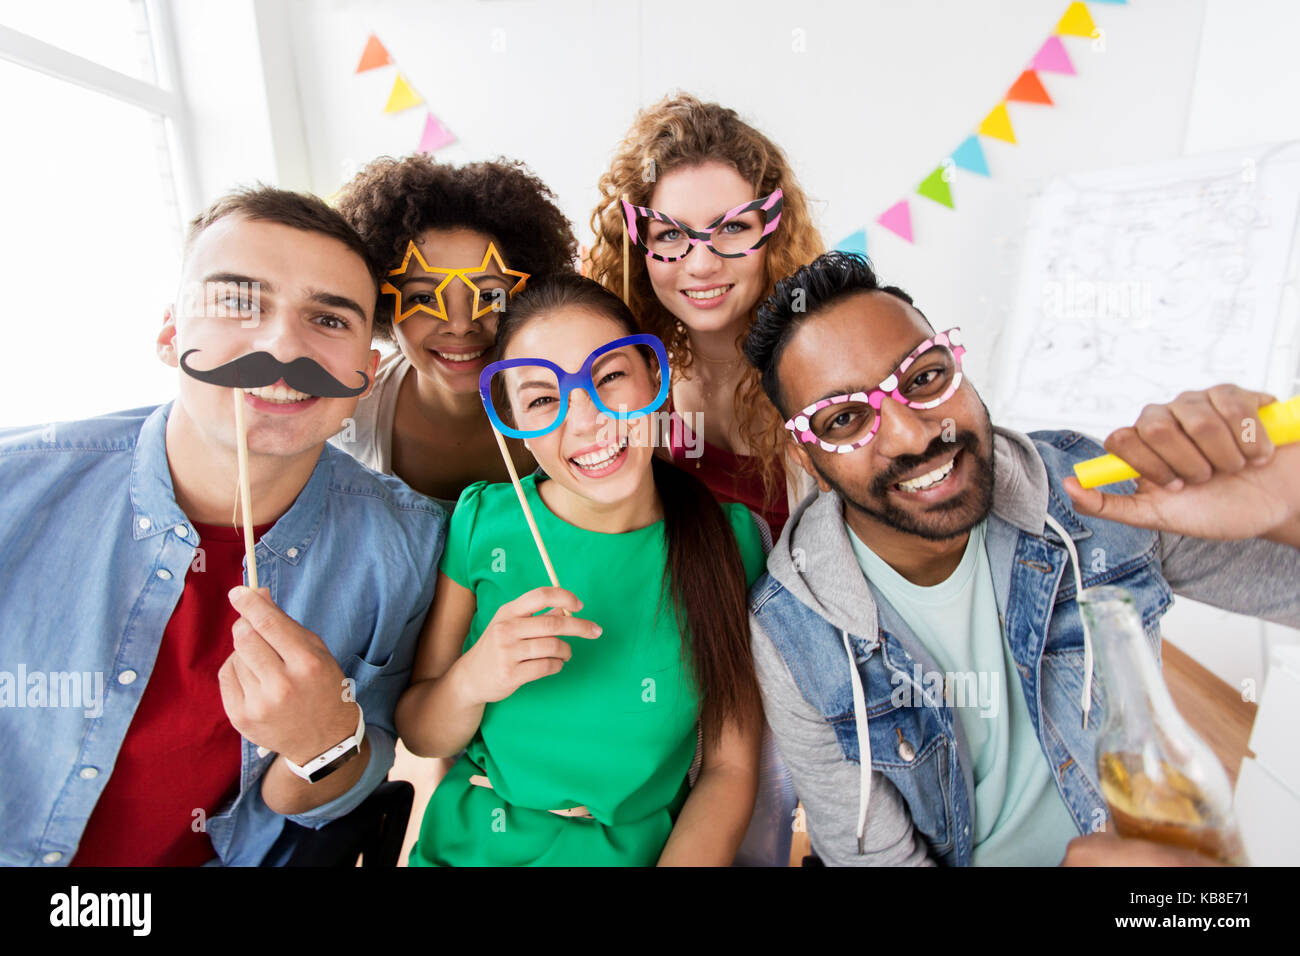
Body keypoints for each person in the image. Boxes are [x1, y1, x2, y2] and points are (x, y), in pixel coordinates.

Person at [741, 251, 1300, 866]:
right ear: (808, 459)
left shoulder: (1088, 492)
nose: (914, 434)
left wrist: (1286, 510)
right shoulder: (793, 628)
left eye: (924, 378)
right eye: (845, 419)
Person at [0, 186, 445, 866]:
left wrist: (324, 740)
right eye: (240, 302)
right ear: (172, 332)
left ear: (366, 373)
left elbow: (341, 788)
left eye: (328, 321)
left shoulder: (407, 545)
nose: (280, 346)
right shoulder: (15, 489)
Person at [395, 274, 767, 866]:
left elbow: (729, 767)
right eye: (543, 398)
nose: (586, 418)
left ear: (654, 376)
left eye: (610, 377)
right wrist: (473, 678)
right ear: (511, 419)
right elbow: (420, 732)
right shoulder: (482, 525)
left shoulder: (732, 542)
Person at [587, 93, 824, 540]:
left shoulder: (826, 372)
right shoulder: (632, 378)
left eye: (733, 227)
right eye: (670, 233)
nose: (701, 264)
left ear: (774, 232)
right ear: (639, 249)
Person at [331, 155, 578, 512]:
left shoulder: (578, 408)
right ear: (380, 301)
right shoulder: (344, 419)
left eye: (490, 295)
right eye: (423, 297)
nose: (461, 325)